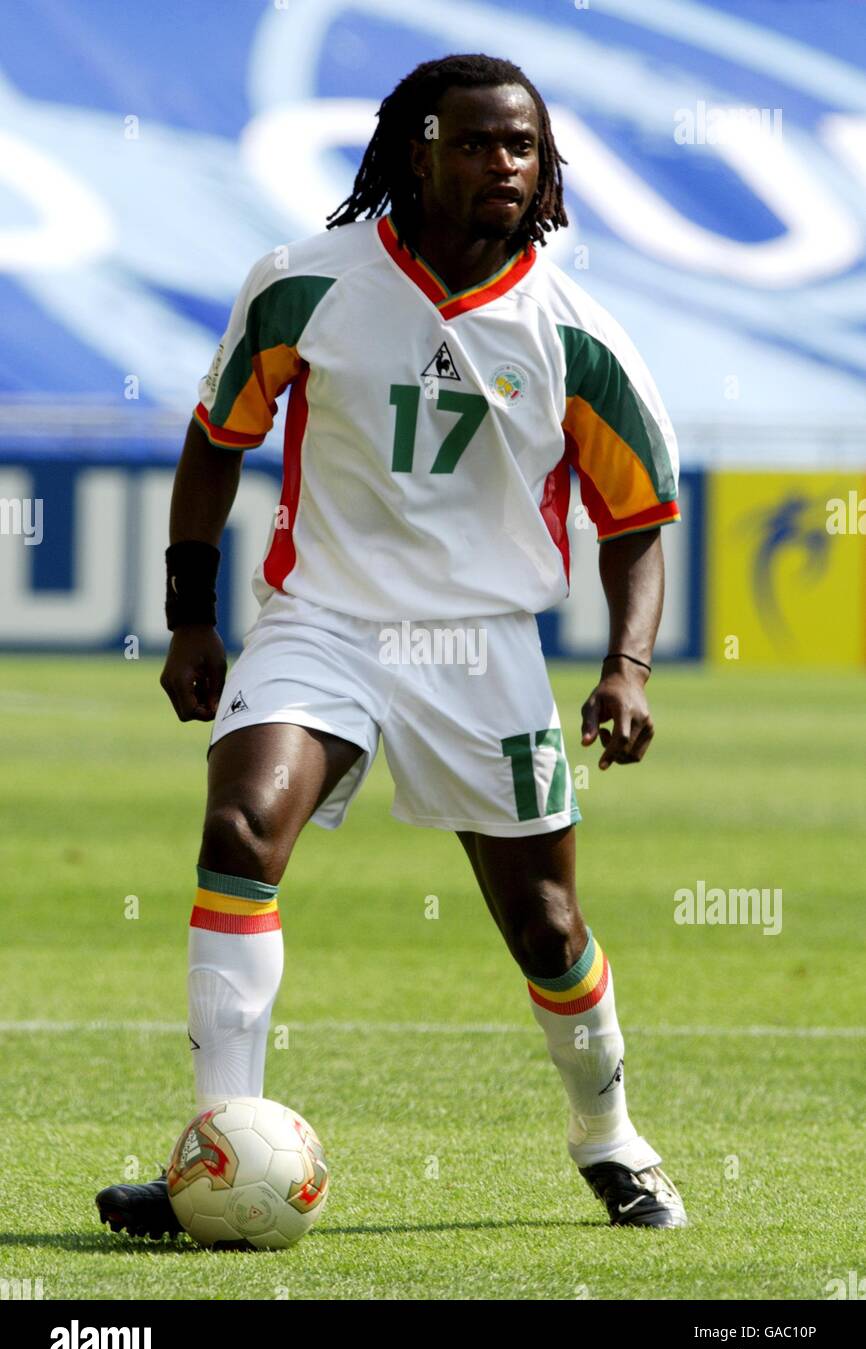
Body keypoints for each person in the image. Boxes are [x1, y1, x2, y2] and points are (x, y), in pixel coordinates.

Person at [96, 52, 685, 1240]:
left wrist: (626, 666)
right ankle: (217, 1147)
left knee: (548, 930)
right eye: (473, 144)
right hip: (323, 623)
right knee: (238, 827)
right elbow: (217, 439)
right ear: (414, 151)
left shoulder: (576, 334)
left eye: (521, 147)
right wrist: (193, 617)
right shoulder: (304, 285)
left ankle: (609, 1137)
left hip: (483, 651)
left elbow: (637, 523)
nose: (502, 167)